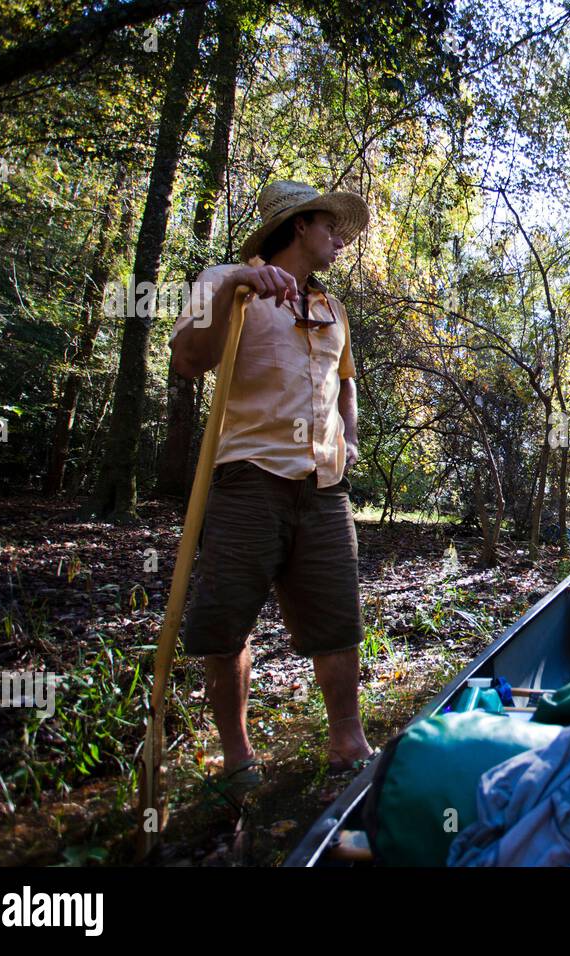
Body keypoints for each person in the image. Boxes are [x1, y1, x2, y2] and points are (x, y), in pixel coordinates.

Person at [169, 180, 374, 798]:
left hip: (325, 484)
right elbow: (186, 357)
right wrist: (234, 285)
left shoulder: (333, 308)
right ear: (298, 227)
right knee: (227, 620)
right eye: (329, 227)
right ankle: (237, 759)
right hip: (248, 476)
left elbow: (346, 383)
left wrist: (352, 438)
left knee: (339, 618)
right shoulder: (224, 281)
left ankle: (348, 740)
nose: (339, 238)